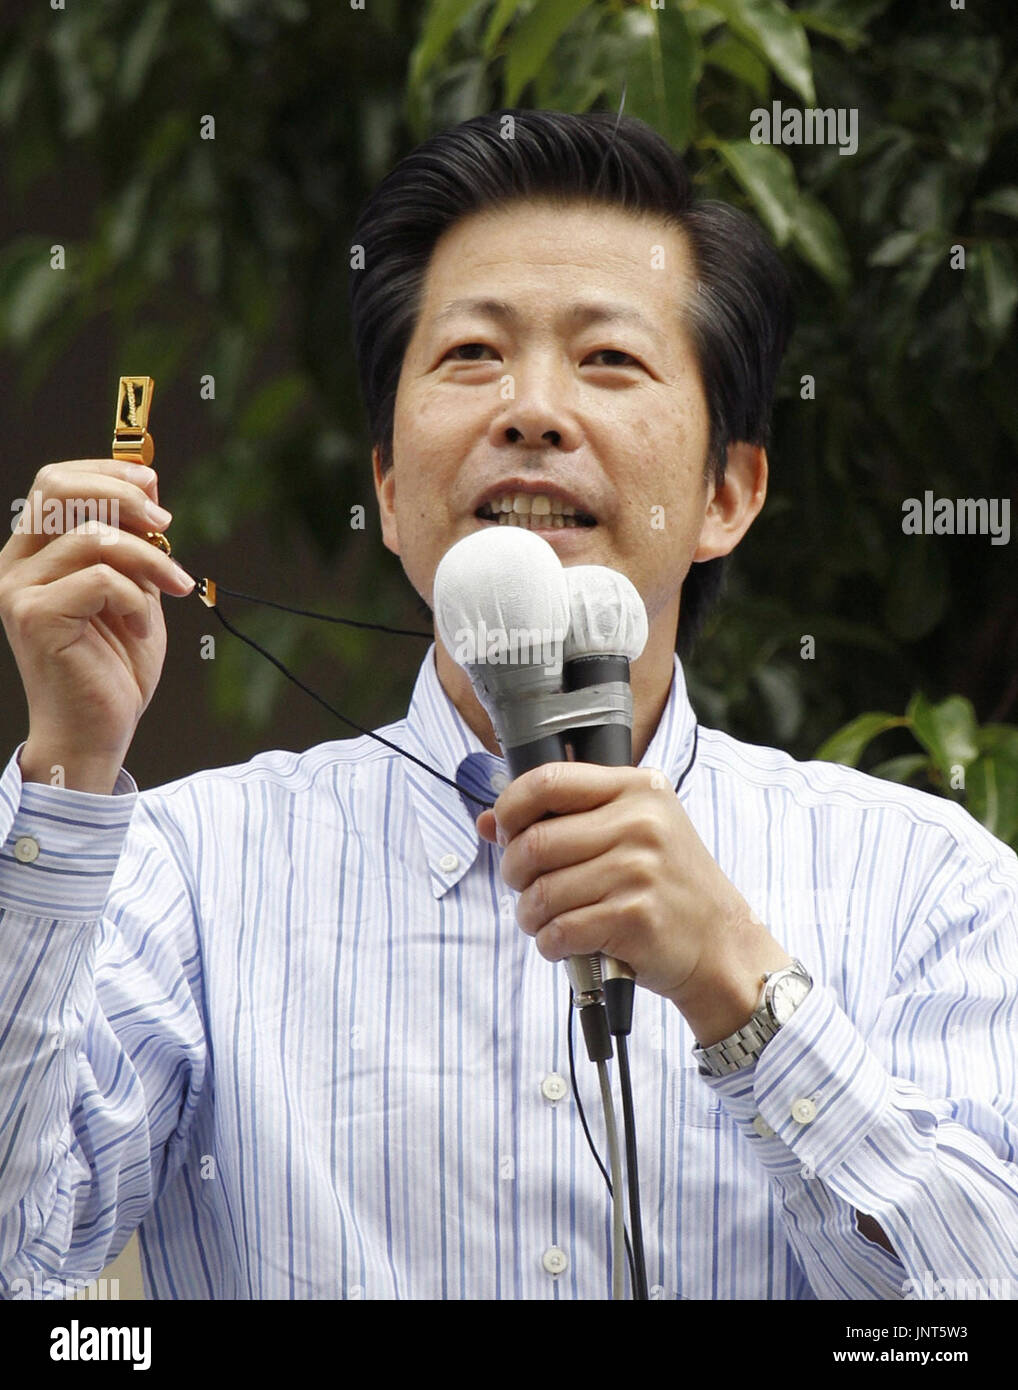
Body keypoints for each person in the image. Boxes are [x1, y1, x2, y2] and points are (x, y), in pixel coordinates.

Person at [0, 110, 1016, 1302]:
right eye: (472, 354)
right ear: (387, 489)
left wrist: (734, 984)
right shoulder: (187, 870)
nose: (529, 409)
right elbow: (26, 1252)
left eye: (608, 360)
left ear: (727, 494)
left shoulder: (922, 877)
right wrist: (69, 761)